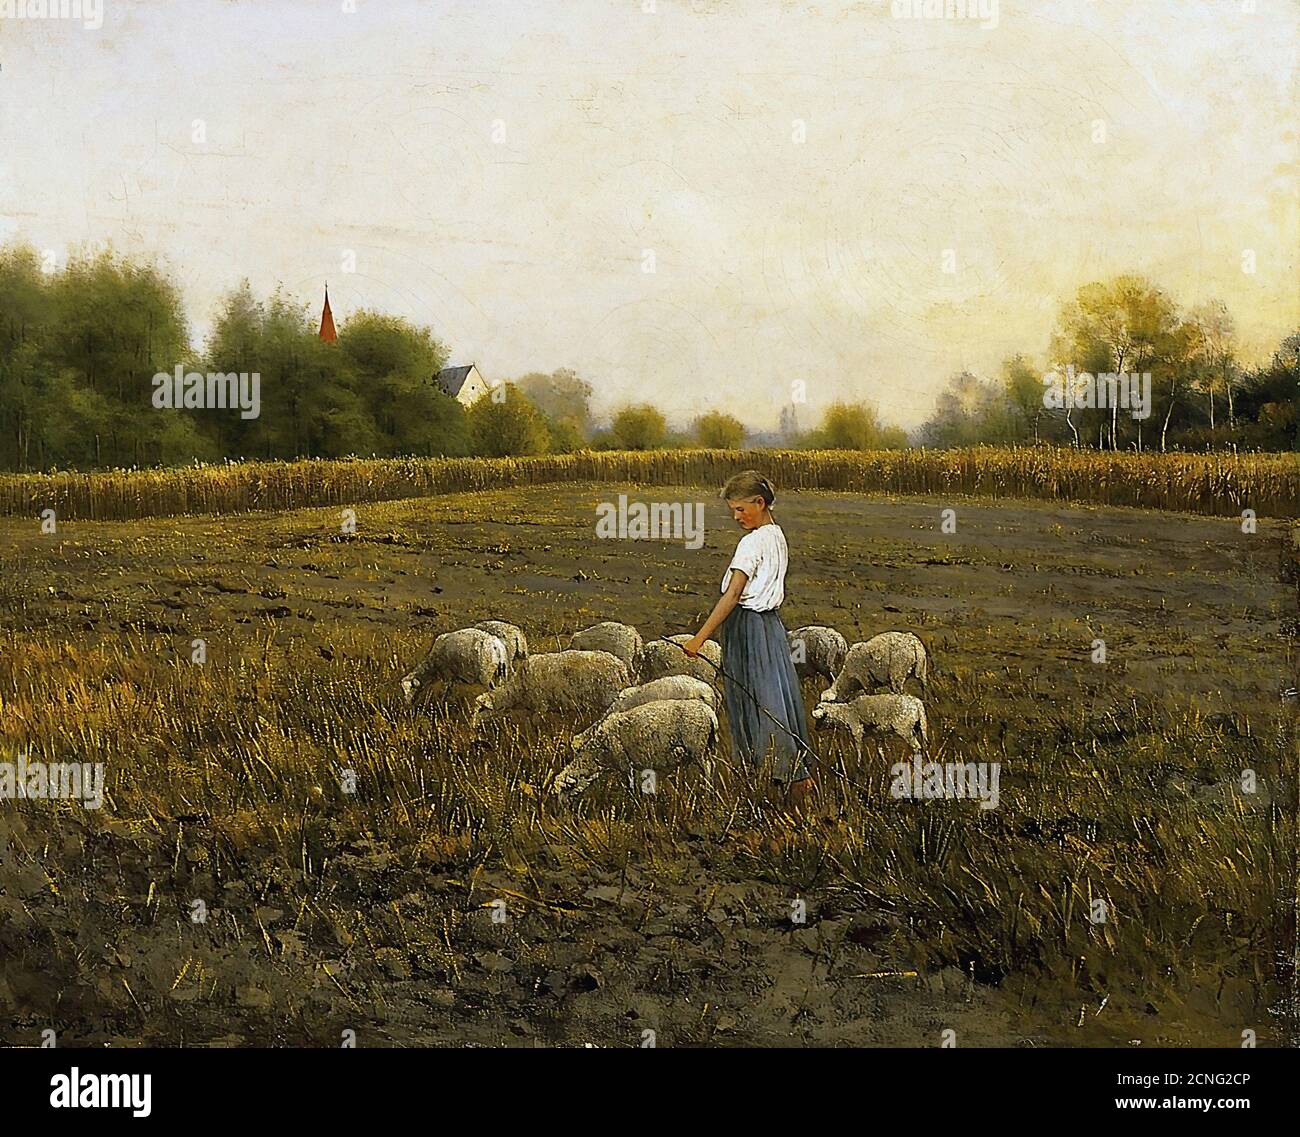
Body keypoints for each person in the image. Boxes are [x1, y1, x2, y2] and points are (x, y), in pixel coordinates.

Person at [681, 470, 816, 810]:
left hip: (748, 628)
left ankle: (781, 776)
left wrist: (699, 638)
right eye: (733, 511)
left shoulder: (752, 542)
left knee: (760, 700)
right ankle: (789, 778)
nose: (736, 517)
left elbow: (732, 595)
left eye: (741, 509)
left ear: (760, 502)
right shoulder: (776, 535)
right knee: (776, 696)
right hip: (770, 627)